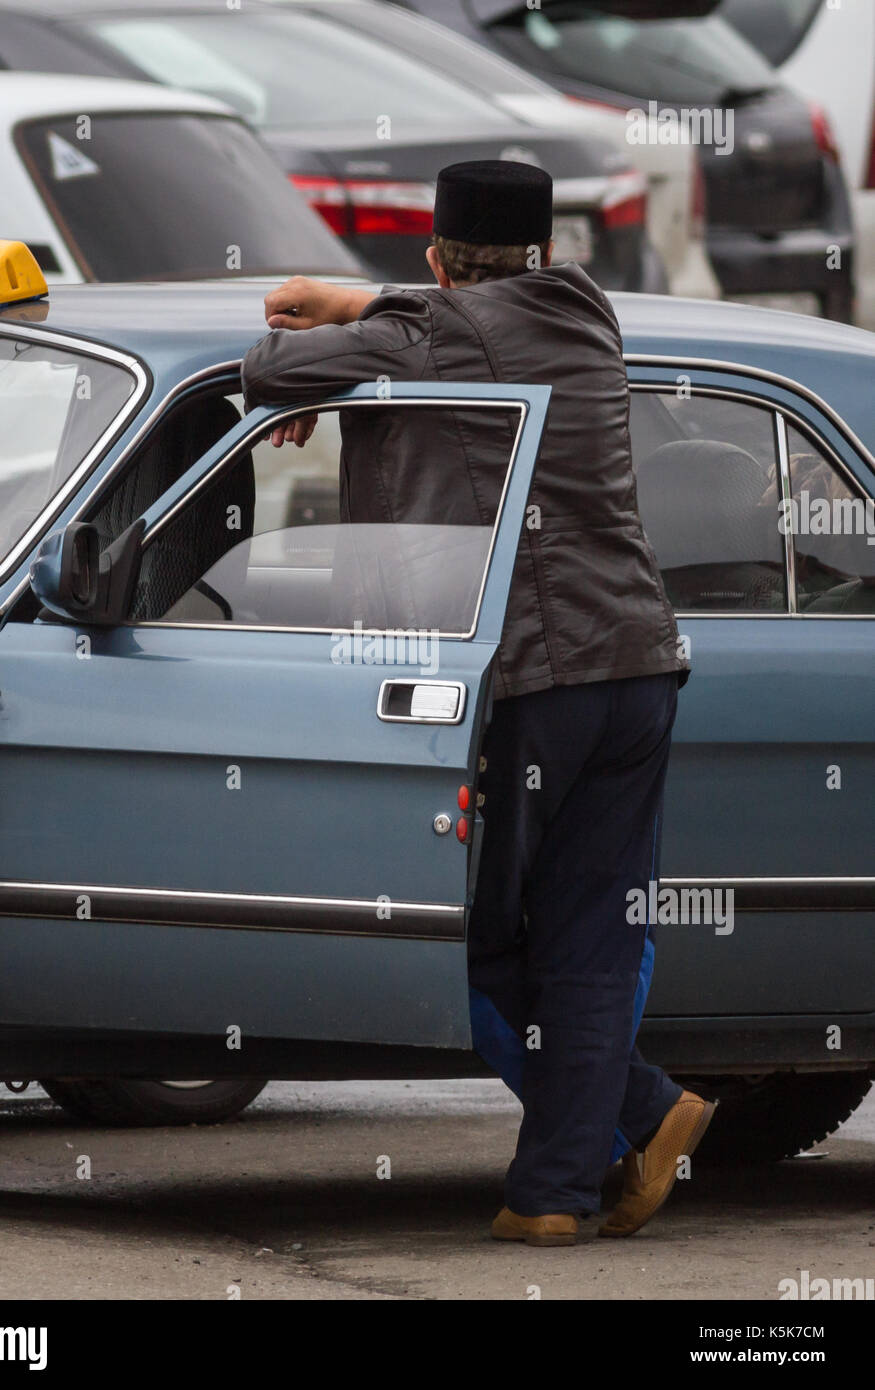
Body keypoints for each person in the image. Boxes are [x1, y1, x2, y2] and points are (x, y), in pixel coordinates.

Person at [241, 160, 715, 1245]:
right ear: (544, 253)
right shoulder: (586, 308)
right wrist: (359, 310)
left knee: (470, 935)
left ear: (437, 262)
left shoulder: (438, 333)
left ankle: (634, 1118)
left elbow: (264, 364)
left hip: (539, 682)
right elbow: (456, 320)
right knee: (590, 942)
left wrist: (321, 349)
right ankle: (559, 1186)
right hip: (638, 665)